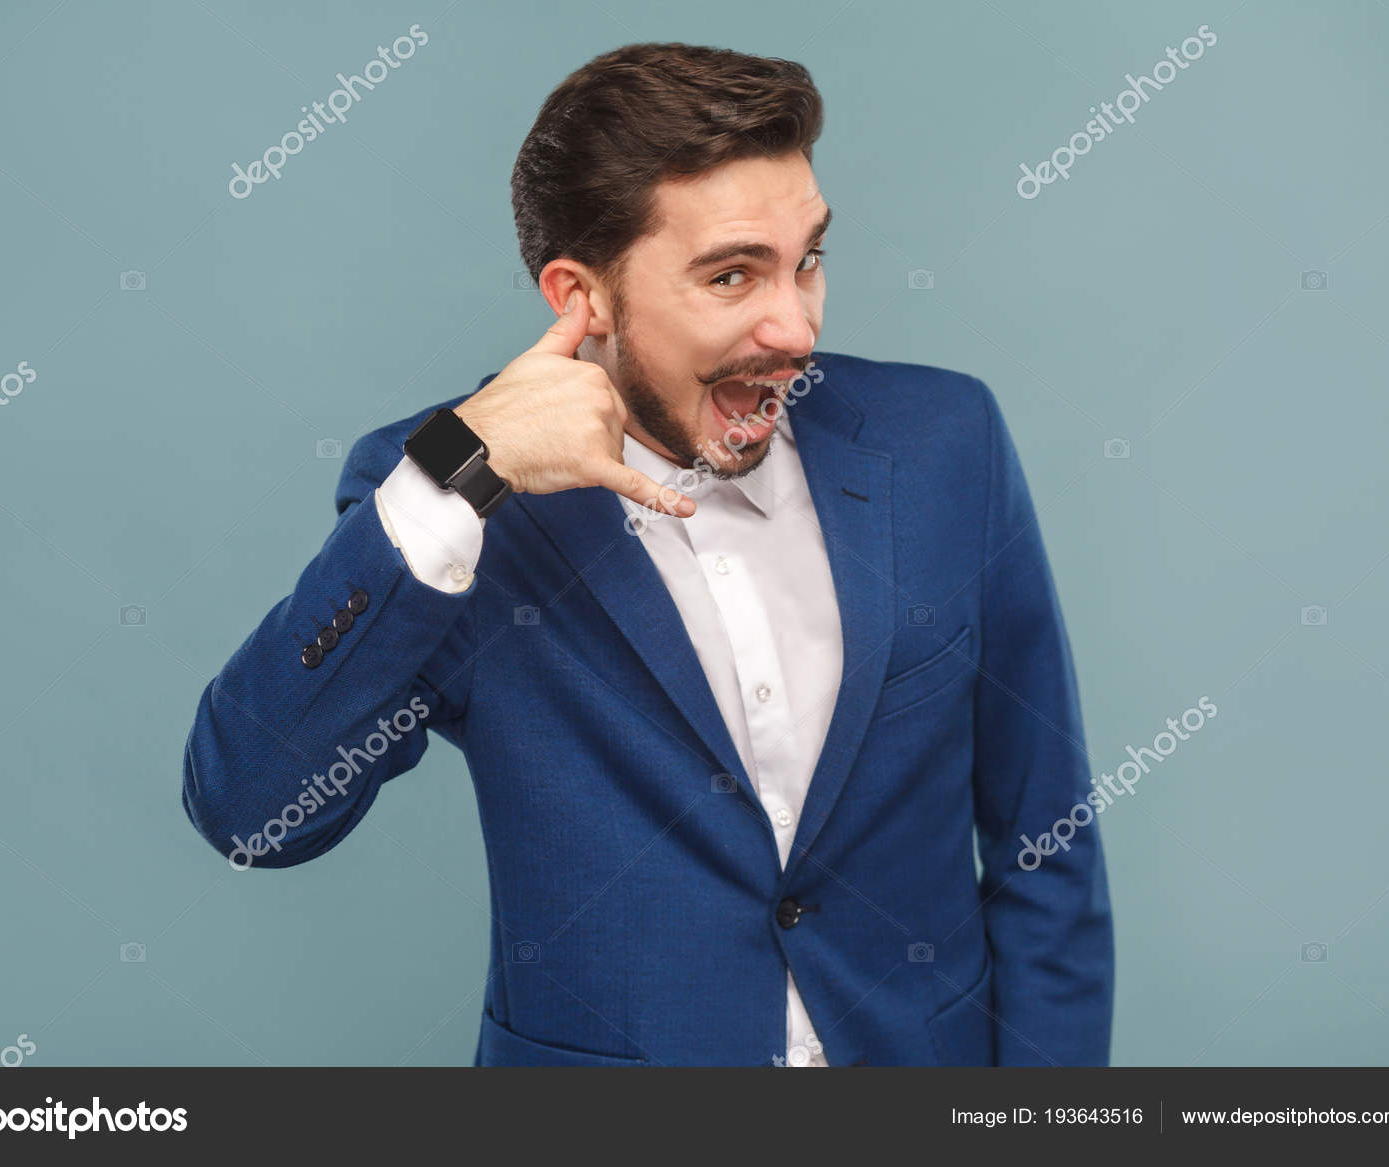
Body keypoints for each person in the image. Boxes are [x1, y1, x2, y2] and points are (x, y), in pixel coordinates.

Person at [181, 41, 1112, 1067]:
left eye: (807, 257)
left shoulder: (945, 442)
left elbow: (1047, 850)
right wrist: (454, 478)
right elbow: (252, 816)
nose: (794, 323)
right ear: (584, 298)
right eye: (730, 275)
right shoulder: (453, 507)